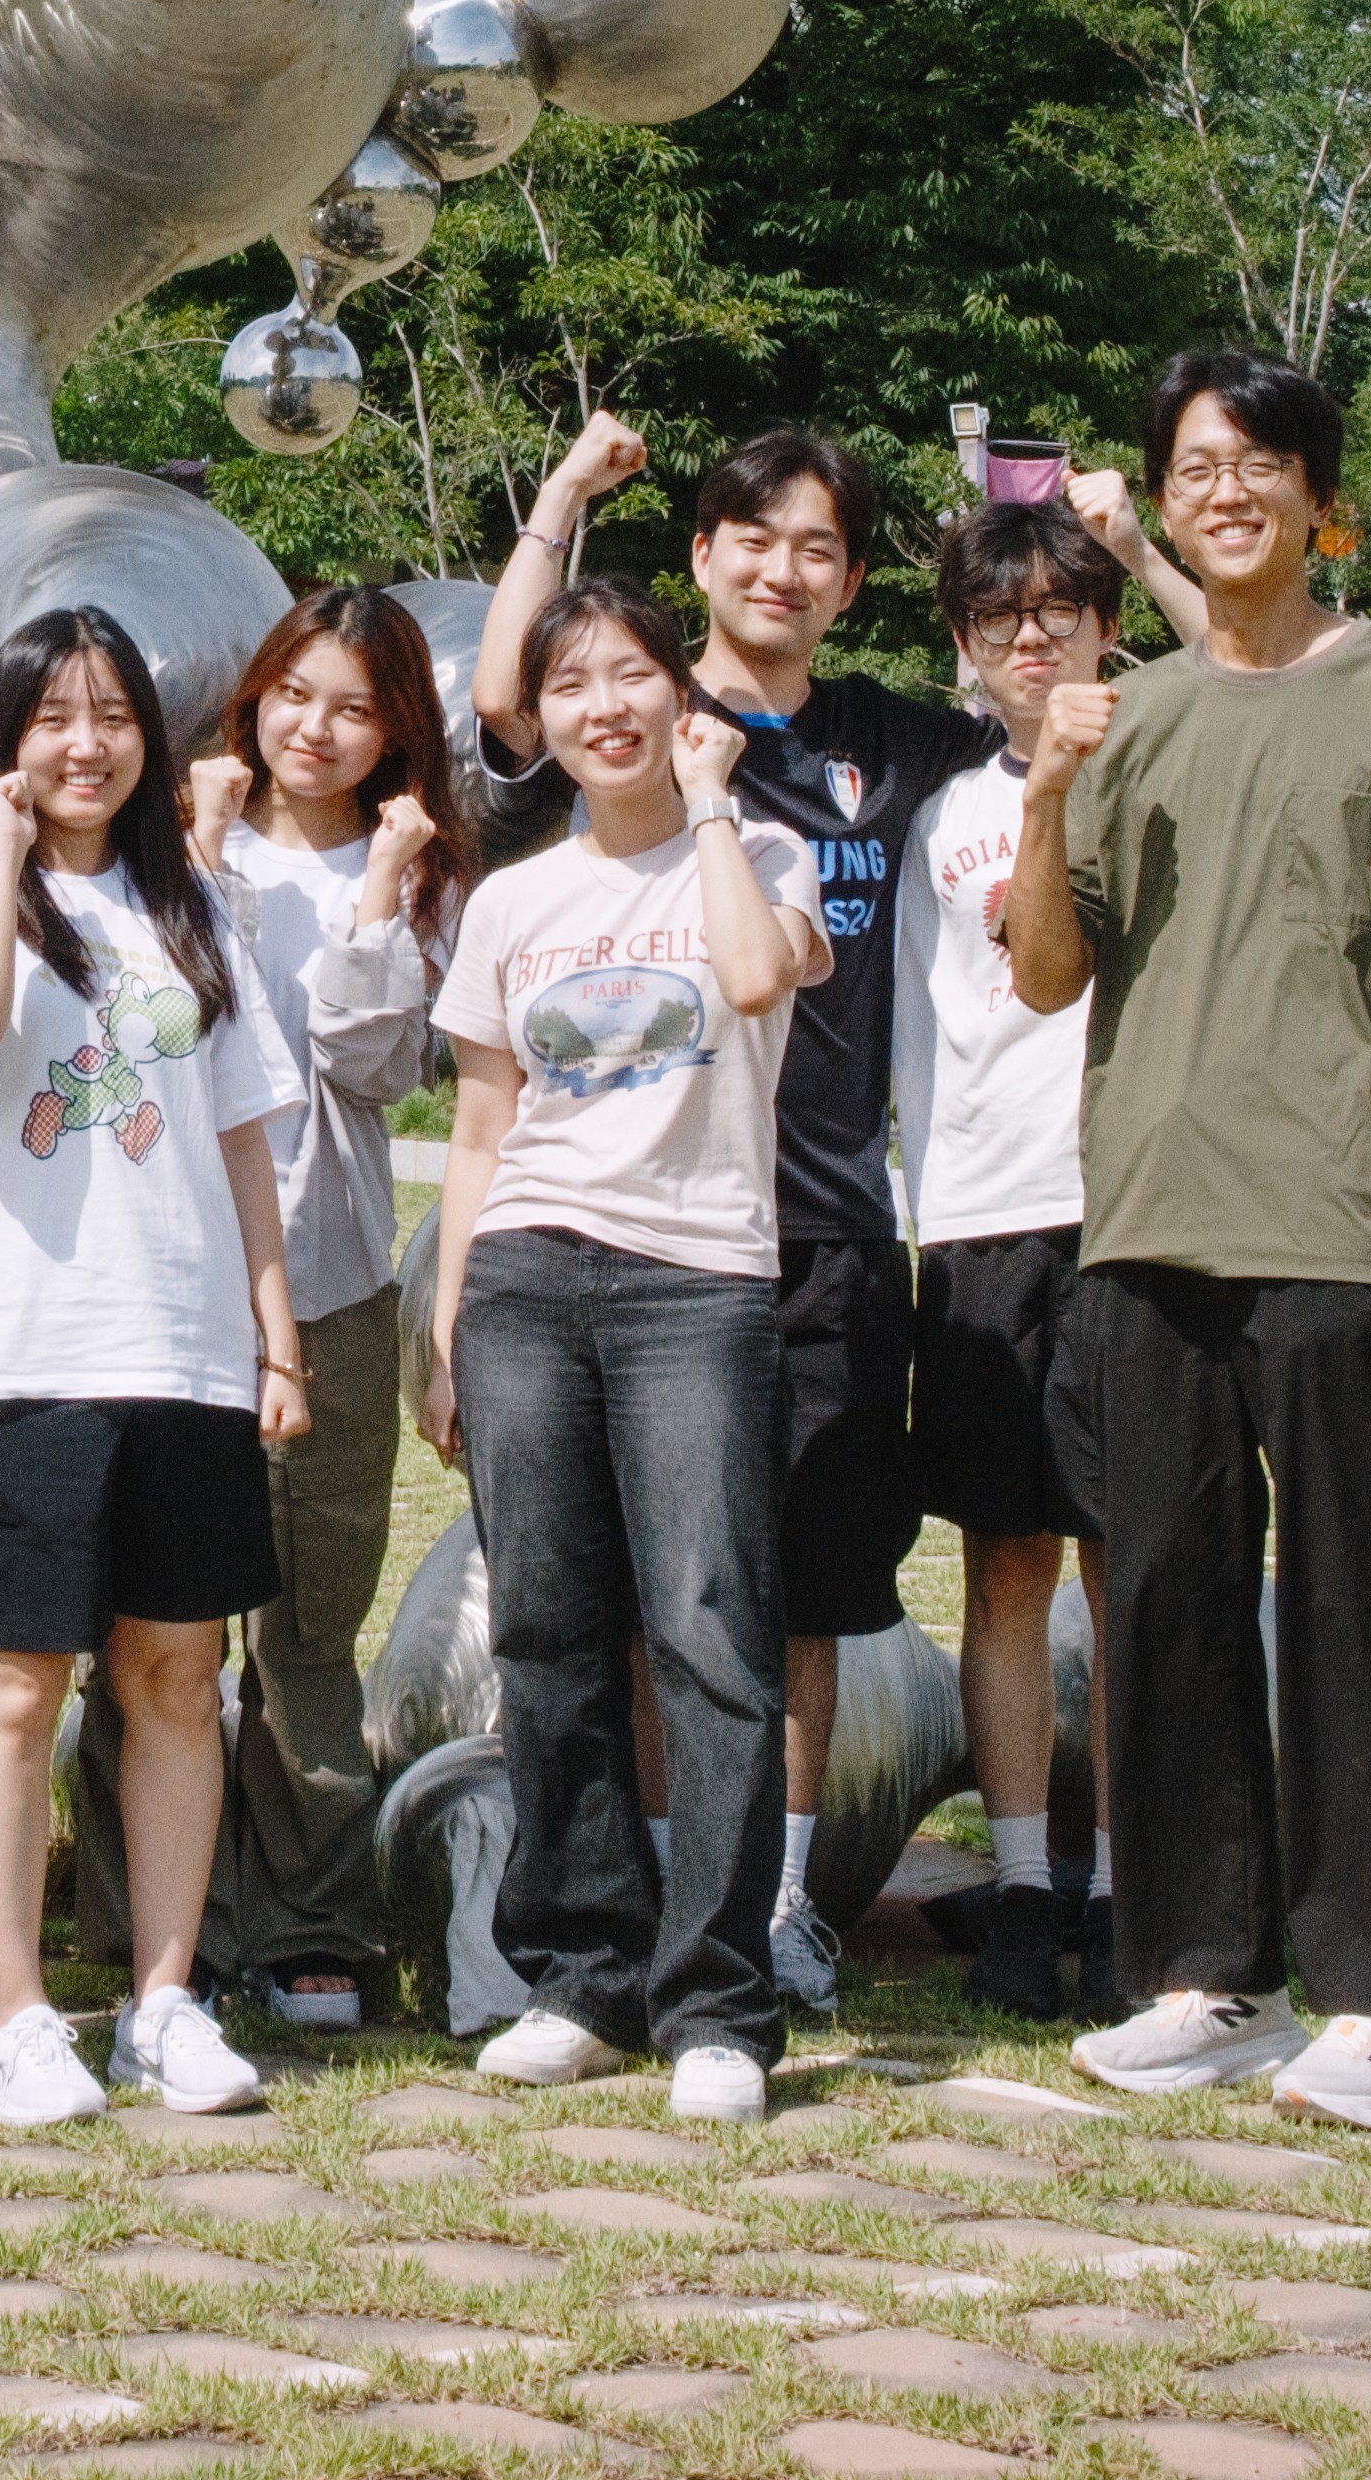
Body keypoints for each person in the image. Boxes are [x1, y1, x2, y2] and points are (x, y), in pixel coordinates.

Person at [999, 346, 1371, 2137]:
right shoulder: (1131, 713)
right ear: (1153, 500)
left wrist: (1367, 1082)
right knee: (1159, 1605)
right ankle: (1202, 1974)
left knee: (1349, 1607)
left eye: (1257, 461)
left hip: (1332, 1212)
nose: (1222, 488)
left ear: (1318, 495)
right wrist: (1038, 786)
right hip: (1146, 1214)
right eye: (1190, 463)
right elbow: (1042, 968)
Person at [474, 420, 976, 2013]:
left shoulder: (888, 742)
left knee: (788, 1593)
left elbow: (1044, 718)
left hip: (813, 1217)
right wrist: (561, 496)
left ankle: (782, 1903)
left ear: (853, 579)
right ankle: (612, 1929)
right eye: (752, 538)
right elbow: (508, 693)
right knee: (598, 1604)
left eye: (819, 546)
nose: (782, 568)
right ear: (700, 554)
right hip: (607, 1227)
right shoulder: (640, 713)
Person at [0, 605, 306, 2129]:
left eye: (113, 714)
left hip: (186, 1344)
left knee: (179, 1677)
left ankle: (163, 2000)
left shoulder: (192, 904)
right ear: (8, 737)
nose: (86, 743)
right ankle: (15, 2016)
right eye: (53, 716)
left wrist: (272, 1334)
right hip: (22, 1349)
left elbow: (247, 1136)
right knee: (17, 1684)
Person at [422, 581, 826, 2123]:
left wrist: (715, 809)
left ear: (682, 695)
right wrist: (452, 1329)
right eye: (572, 683)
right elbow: (478, 1126)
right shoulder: (513, 903)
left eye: (632, 677)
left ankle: (718, 1998)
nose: (603, 707)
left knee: (713, 1633)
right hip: (529, 1278)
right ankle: (582, 1972)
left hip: (699, 1288)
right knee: (547, 1628)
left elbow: (748, 979)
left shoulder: (763, 858)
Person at [76, 587, 467, 2033]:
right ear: (252, 699)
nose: (319, 728)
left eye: (355, 706)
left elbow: (370, 1068)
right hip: (165, 1286)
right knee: (149, 1627)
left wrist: (376, 897)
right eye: (296, 694)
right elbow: (181, 1020)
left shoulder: (419, 874)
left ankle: (309, 1919)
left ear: (396, 732)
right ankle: (142, 1918)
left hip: (337, 1282)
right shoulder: (162, 851)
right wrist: (206, 855)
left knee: (305, 1628)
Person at [888, 501, 1136, 2021]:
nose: (1030, 638)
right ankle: (1029, 1877)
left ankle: (1132, 1884)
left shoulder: (1171, 759)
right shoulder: (935, 803)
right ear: (963, 646)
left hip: (1133, 1208)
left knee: (1135, 1565)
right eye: (998, 619)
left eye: (1058, 610)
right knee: (1004, 1564)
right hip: (979, 1209)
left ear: (1108, 623)